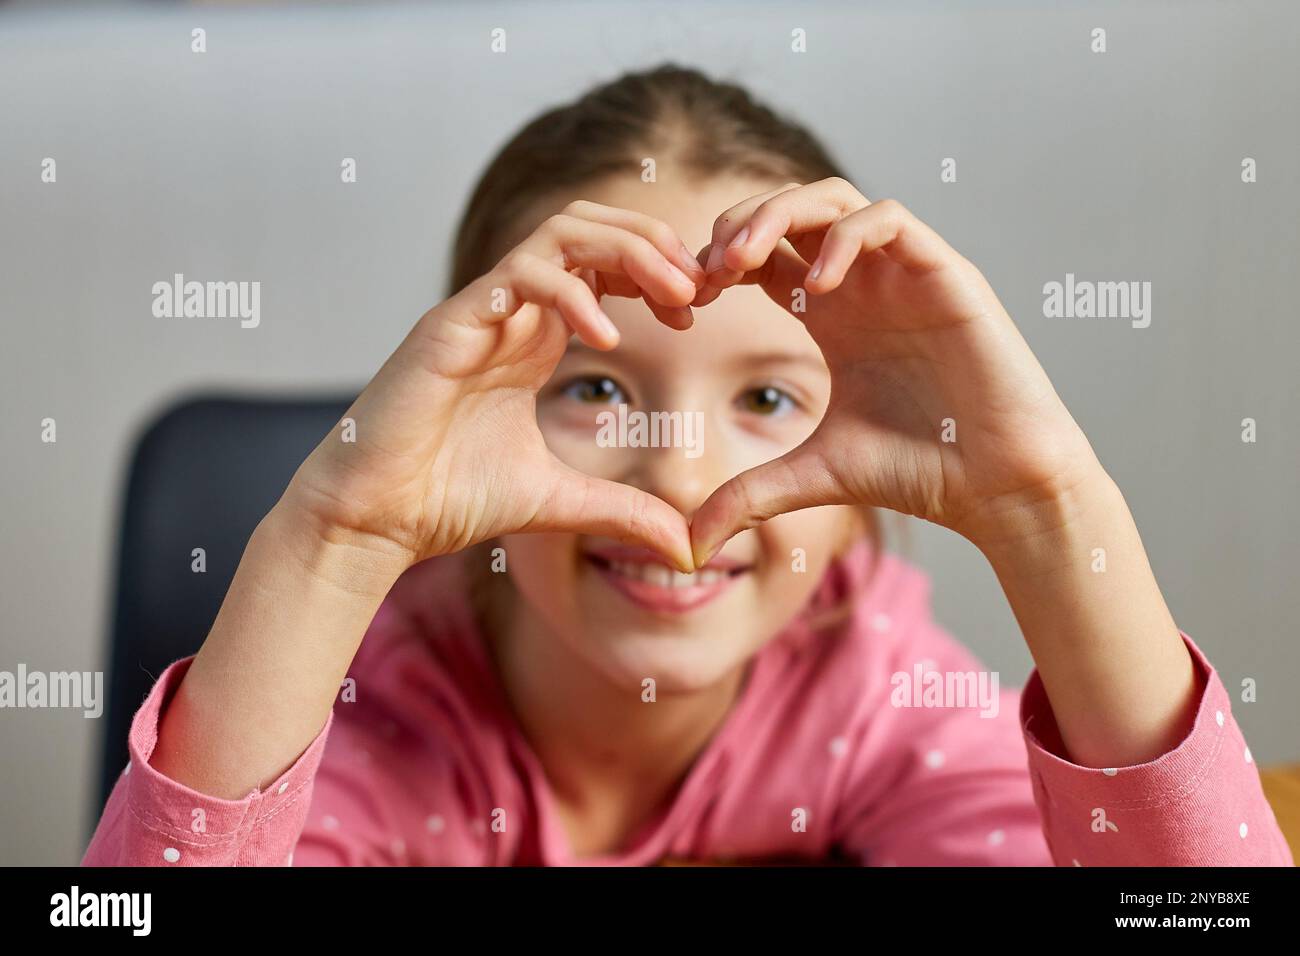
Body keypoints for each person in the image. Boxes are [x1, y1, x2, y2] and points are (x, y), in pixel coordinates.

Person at [83, 65, 1290, 866]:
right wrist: (331, 540)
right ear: (467, 431)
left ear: (861, 497)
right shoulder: (384, 708)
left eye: (766, 397)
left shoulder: (869, 686)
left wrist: (1046, 511)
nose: (678, 474)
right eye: (596, 388)